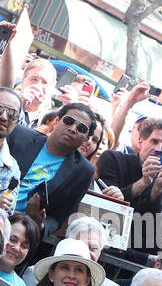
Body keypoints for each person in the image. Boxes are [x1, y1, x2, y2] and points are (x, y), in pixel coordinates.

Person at [7, 101, 97, 243]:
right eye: (68, 121)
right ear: (57, 121)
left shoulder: (83, 171)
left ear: (86, 139)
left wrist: (39, 223)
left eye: (81, 128)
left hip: (25, 231)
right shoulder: (20, 135)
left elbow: (59, 217)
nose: (73, 129)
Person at [96, 116, 162, 242]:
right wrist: (143, 182)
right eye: (154, 141)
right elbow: (106, 202)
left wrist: (156, 188)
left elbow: (147, 234)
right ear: (141, 140)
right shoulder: (113, 159)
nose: (158, 149)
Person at [66, 216, 125, 286]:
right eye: (80, 245)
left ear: (100, 252)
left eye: (93, 248)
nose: (85, 253)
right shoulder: (36, 277)